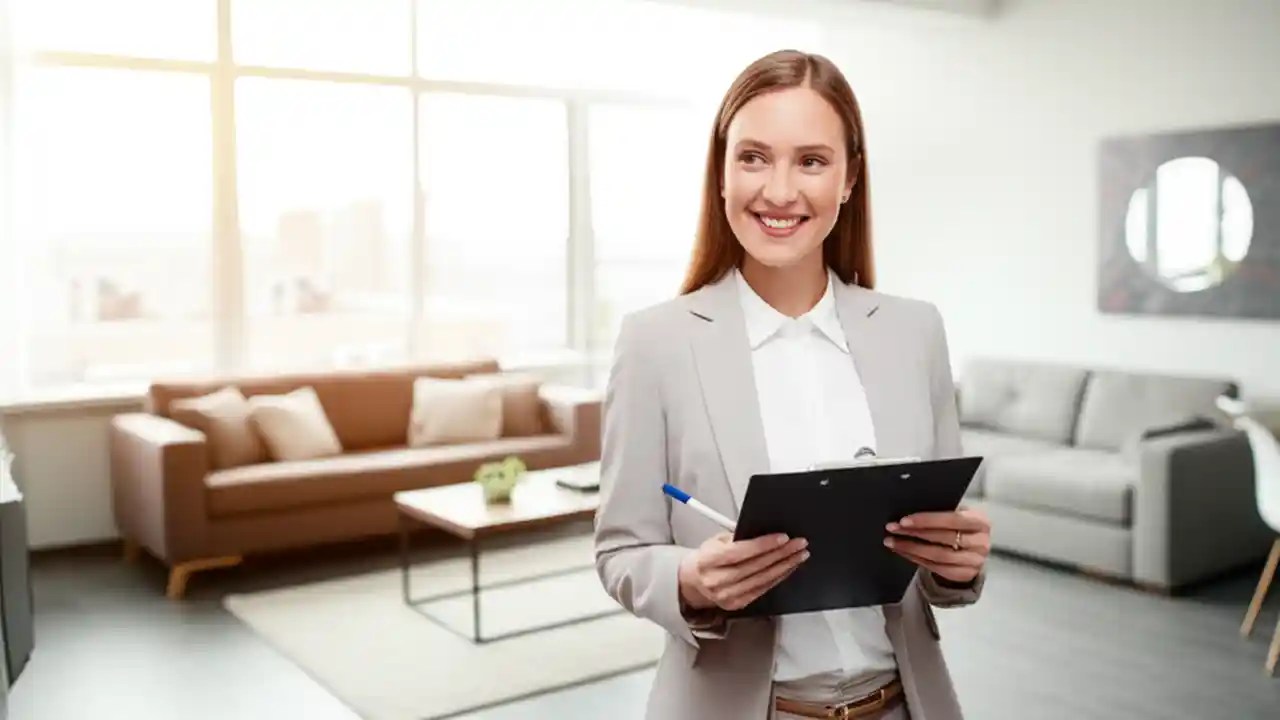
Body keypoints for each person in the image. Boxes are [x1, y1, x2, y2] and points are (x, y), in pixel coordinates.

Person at [593, 49, 992, 720]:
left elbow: (942, 562)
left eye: (811, 160)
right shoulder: (656, 342)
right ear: (721, 172)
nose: (779, 191)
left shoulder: (915, 333)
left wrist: (961, 563)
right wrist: (689, 580)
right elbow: (620, 552)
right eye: (753, 157)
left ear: (849, 178)